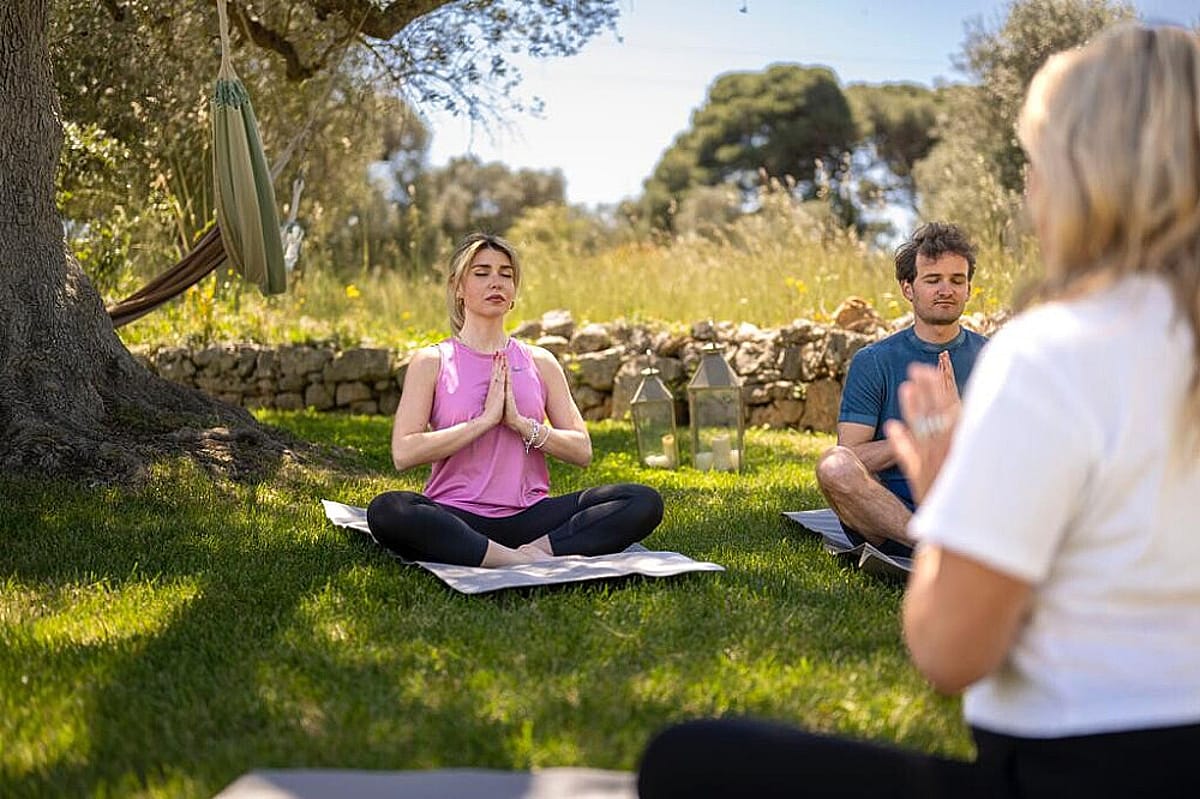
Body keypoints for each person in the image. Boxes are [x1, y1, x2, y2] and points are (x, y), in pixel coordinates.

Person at [638, 24, 1200, 798]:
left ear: (1084, 174)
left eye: (1035, 163)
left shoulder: (1049, 352)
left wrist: (943, 490)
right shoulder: (914, 356)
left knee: (687, 757)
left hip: (1075, 772)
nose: (1031, 190)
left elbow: (948, 653)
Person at [367, 232, 664, 568]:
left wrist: (522, 425)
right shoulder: (433, 361)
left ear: (514, 292)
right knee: (388, 510)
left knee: (642, 501)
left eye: (505, 274)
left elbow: (582, 450)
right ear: (458, 288)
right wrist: (484, 422)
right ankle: (511, 559)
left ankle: (531, 553)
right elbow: (404, 453)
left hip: (532, 518)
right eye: (482, 273)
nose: (496, 282)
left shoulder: (540, 361)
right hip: (459, 516)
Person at [815, 221, 987, 557]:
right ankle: (930, 545)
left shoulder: (994, 357)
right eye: (933, 280)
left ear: (968, 289)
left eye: (957, 280)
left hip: (974, 508)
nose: (946, 290)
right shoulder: (874, 361)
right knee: (833, 466)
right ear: (908, 289)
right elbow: (852, 456)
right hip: (891, 518)